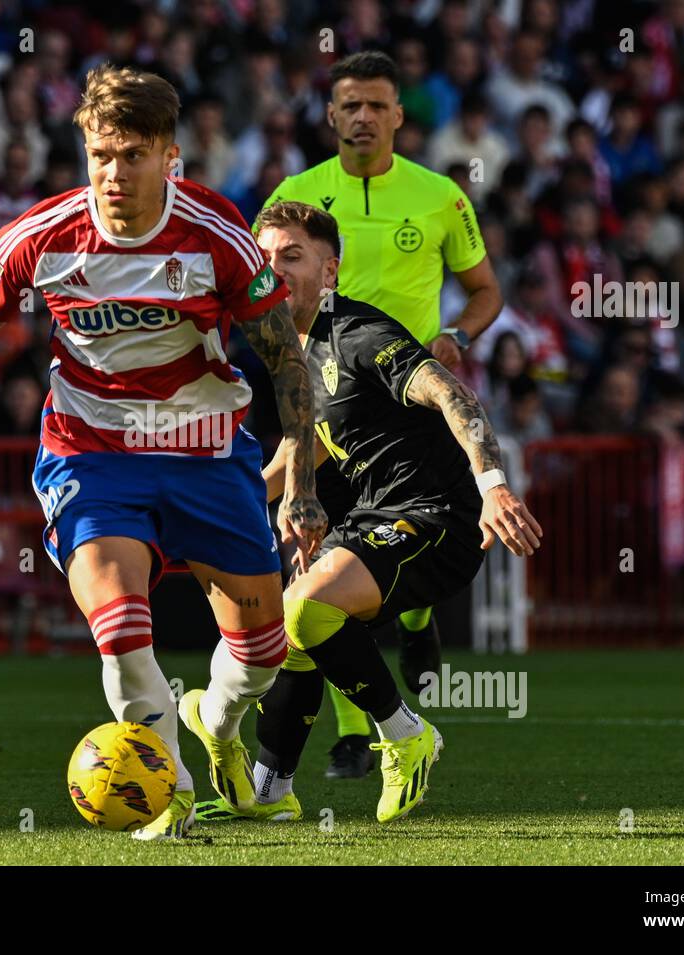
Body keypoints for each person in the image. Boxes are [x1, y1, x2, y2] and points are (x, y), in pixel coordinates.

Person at [0, 65, 326, 840]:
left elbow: (285, 358)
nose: (115, 173)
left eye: (134, 155)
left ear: (170, 155)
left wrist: (302, 483)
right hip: (91, 454)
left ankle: (213, 719)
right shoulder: (43, 236)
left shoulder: (216, 234)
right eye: (100, 155)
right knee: (118, 622)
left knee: (263, 649)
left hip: (208, 452)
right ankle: (171, 789)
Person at [197, 200, 541, 823]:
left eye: (291, 257)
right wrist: (210, 506)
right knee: (290, 636)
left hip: (440, 520)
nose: (274, 270)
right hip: (373, 518)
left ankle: (407, 736)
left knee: (308, 607)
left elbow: (451, 392)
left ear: (330, 272)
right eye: (264, 258)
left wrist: (493, 484)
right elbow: (301, 448)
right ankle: (269, 792)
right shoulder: (291, 351)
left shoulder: (359, 335)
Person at [261, 50, 504, 778]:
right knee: (316, 567)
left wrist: (458, 334)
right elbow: (261, 283)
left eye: (376, 105)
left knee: (352, 559)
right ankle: (354, 734)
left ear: (399, 114)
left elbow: (485, 288)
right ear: (331, 116)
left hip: (406, 399)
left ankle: (416, 629)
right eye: (349, 105)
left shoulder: (441, 196)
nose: (362, 116)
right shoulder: (296, 196)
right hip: (322, 394)